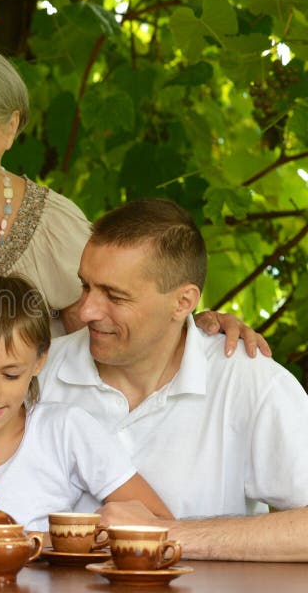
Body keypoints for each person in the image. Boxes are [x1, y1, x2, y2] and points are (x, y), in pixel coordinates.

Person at [0, 45, 268, 403]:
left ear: (10, 128)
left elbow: (121, 329)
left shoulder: (54, 227)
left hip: (23, 462)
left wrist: (198, 329)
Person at [37, 198, 308, 561]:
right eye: (85, 286)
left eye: (115, 296)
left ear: (183, 302)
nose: (86, 311)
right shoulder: (36, 372)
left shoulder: (248, 381)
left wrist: (164, 535)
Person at [0, 274, 172, 531]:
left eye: (10, 375)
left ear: (40, 361)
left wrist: (68, 539)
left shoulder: (65, 430)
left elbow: (162, 523)